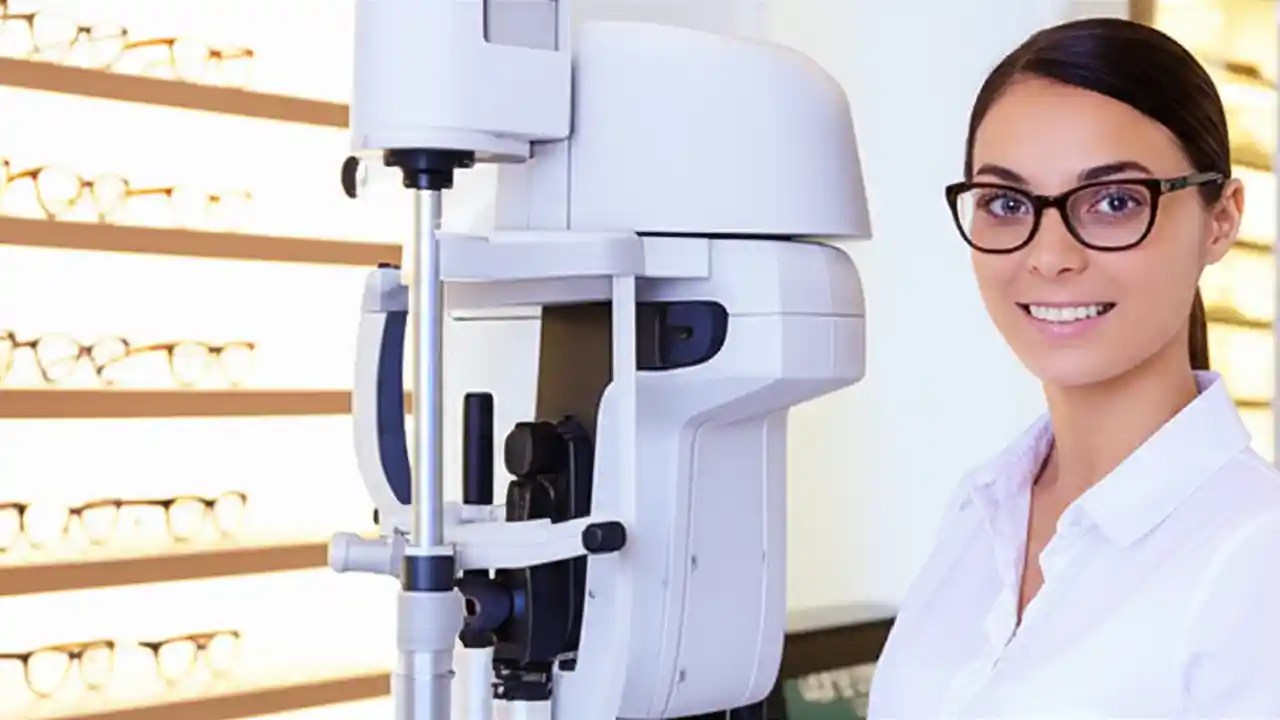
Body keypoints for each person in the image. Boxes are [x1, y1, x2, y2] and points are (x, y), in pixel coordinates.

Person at [866, 17, 1280, 719]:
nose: (1050, 255)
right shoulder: (981, 508)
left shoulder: (1254, 555)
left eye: (1115, 202)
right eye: (1006, 203)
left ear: (1221, 219)